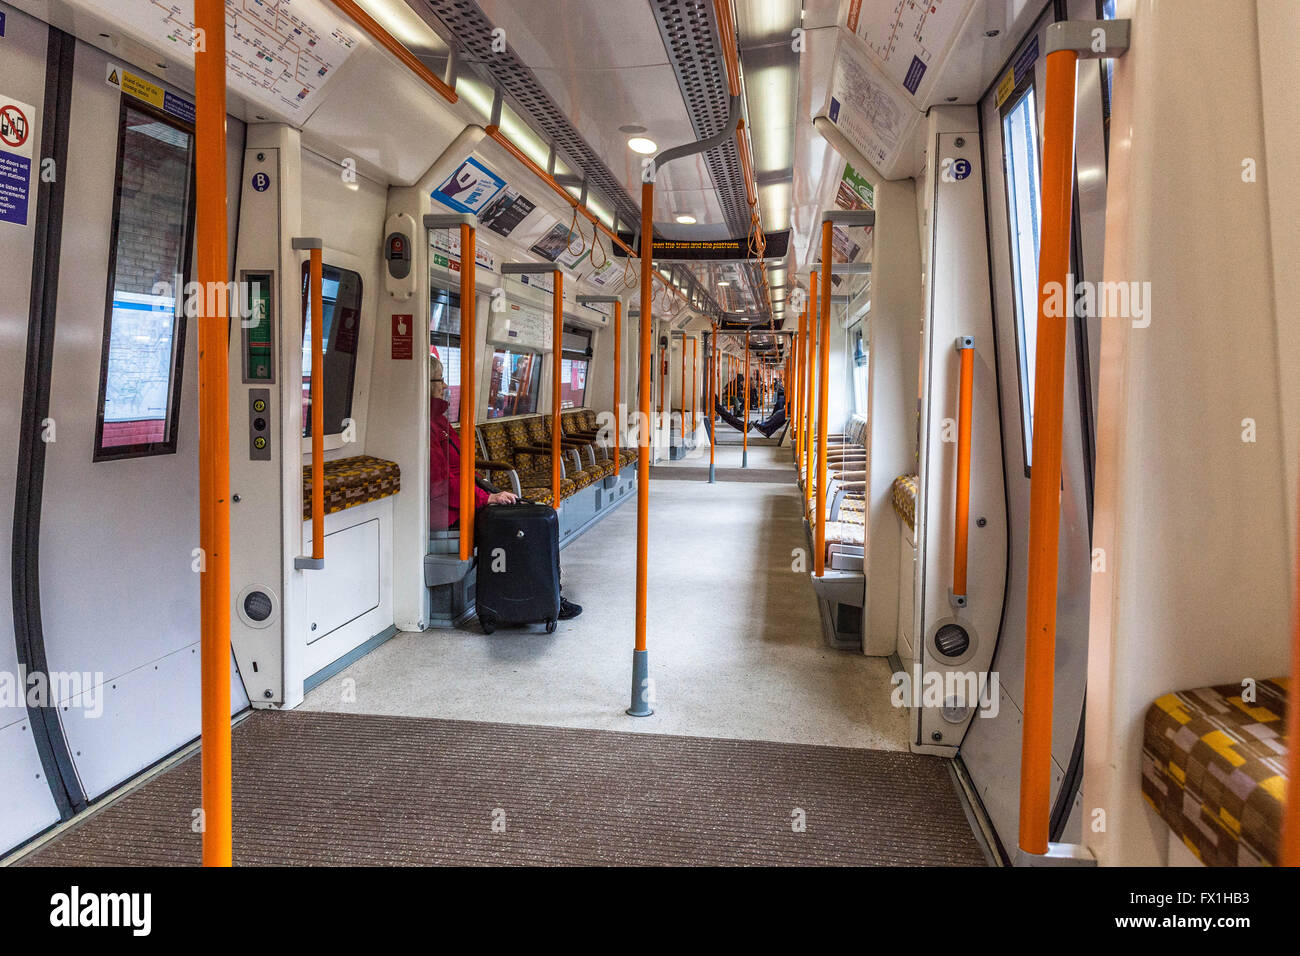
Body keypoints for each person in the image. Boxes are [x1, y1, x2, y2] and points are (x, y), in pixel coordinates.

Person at [429, 354, 582, 620]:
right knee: (520, 529)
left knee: (535, 520)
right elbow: (439, 482)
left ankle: (549, 595)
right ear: (427, 384)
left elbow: (460, 467)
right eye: (440, 379)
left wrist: (485, 490)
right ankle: (539, 597)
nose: (444, 385)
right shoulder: (427, 426)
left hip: (463, 498)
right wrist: (486, 498)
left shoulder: (440, 421)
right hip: (447, 510)